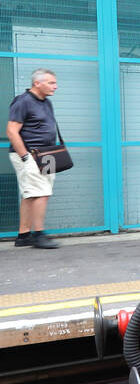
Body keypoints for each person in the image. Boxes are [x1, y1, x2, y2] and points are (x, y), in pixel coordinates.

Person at [6, 68, 61, 249]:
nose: (56, 87)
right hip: (30, 154)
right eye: (51, 83)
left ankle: (23, 236)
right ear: (37, 83)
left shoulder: (46, 102)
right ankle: (39, 235)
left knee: (31, 195)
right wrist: (25, 157)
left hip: (47, 153)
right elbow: (12, 132)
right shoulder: (23, 102)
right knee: (41, 193)